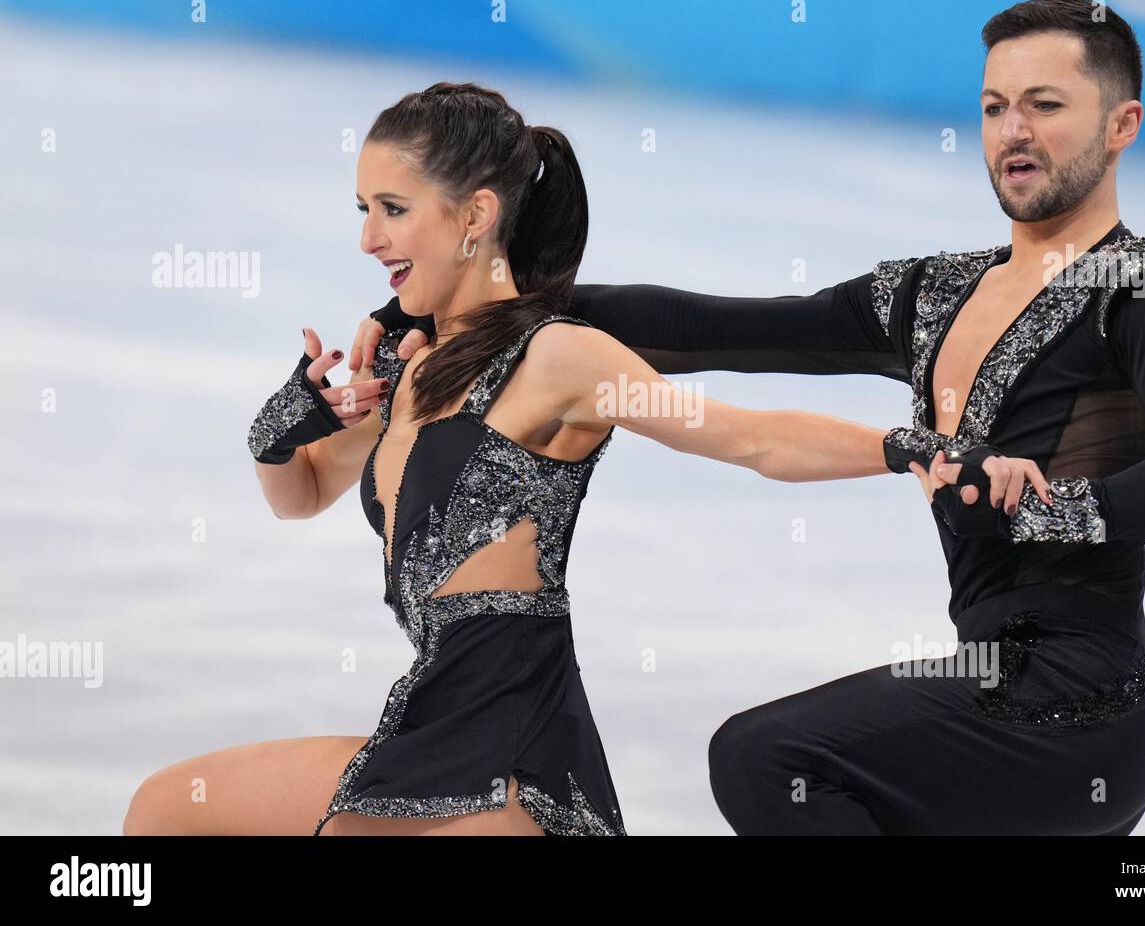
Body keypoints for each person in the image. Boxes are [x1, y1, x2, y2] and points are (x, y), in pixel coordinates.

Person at [362, 0, 1145, 834]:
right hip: (983, 675)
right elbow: (708, 326)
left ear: (1123, 125)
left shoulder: (1143, 292)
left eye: (1045, 105)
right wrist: (439, 309)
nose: (1014, 132)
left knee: (768, 758)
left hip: (1085, 698)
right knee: (794, 769)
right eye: (995, 107)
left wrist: (1043, 508)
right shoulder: (937, 293)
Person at [122, 82, 935, 838]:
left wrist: (902, 448)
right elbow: (298, 496)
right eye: (365, 208)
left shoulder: (558, 358)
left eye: (394, 209)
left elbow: (752, 438)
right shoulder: (406, 369)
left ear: (475, 214)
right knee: (164, 813)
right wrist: (277, 433)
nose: (369, 238)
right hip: (431, 721)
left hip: (514, 754)